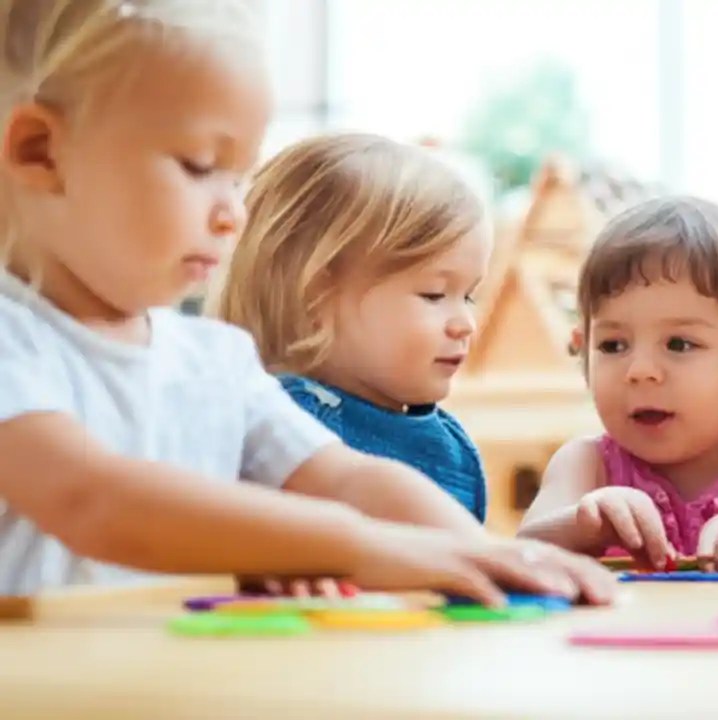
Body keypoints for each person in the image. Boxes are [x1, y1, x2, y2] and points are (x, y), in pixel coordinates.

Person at [0, 0, 614, 606]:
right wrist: (359, 548)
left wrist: (483, 552)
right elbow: (92, 500)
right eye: (200, 167)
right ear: (40, 151)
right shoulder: (13, 341)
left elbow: (346, 477)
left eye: (239, 178)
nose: (232, 212)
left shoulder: (218, 362)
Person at [518, 196, 718, 571]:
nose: (640, 370)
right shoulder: (585, 466)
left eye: (679, 344)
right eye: (613, 345)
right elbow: (523, 554)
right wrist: (584, 523)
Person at [217, 133, 490, 523]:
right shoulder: (285, 424)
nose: (466, 324)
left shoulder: (447, 441)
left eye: (469, 296)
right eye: (433, 294)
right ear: (316, 297)